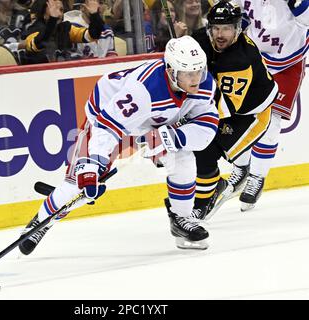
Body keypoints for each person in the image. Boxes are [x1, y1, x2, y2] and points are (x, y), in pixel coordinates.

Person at [18, 35, 219, 255]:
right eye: (189, 73)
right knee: (79, 184)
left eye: (199, 71)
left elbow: (207, 124)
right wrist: (92, 168)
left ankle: (181, 218)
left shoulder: (204, 83)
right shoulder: (144, 90)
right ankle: (39, 224)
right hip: (106, 116)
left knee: (182, 157)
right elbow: (108, 128)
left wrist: (175, 137)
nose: (196, 78)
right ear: (171, 70)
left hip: (151, 123)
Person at [187, 0, 278, 219]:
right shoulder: (199, 39)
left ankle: (205, 200)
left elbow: (223, 109)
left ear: (237, 29)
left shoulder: (239, 60)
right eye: (216, 28)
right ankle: (214, 184)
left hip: (251, 115)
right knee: (194, 147)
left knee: (206, 147)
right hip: (225, 104)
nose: (220, 34)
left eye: (227, 28)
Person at [221, 0, 309, 211]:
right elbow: (235, 13)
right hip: (254, 57)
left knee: (271, 121)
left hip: (288, 61)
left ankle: (257, 176)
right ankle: (241, 167)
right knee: (235, 115)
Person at [21, 0, 105, 63]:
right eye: (54, 9)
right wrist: (52, 20)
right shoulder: (33, 30)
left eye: (61, 10)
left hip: (63, 75)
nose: (59, 14)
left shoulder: (65, 28)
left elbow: (93, 35)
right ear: (43, 13)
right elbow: (42, 41)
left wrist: (94, 15)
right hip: (39, 78)